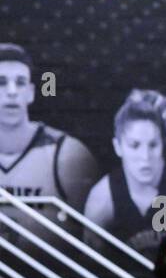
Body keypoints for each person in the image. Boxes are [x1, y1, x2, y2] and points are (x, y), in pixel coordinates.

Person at [83, 90, 166, 255]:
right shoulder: (102, 197)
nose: (145, 157)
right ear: (118, 147)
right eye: (134, 145)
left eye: (153, 145)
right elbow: (92, 267)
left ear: (163, 144)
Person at [0, 43, 98, 211]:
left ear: (31, 92)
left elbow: (92, 233)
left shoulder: (68, 154)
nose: (12, 91)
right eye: (1, 82)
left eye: (20, 82)